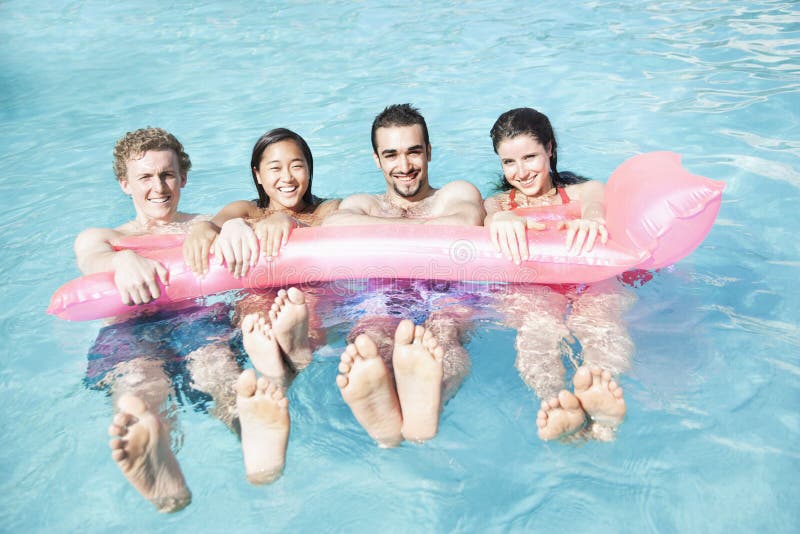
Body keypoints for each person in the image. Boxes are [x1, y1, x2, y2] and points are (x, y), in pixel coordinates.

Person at [75, 128, 293, 512]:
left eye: (167, 174)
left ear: (183, 178)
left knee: (216, 369)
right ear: (125, 183)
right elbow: (90, 259)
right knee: (138, 382)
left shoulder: (206, 225)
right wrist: (121, 260)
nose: (158, 187)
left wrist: (237, 226)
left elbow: (255, 227)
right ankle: (156, 457)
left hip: (197, 319)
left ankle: (253, 435)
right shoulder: (105, 237)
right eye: (145, 177)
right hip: (131, 327)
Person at [323, 103, 485, 447]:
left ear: (428, 152)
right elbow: (335, 225)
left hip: (445, 290)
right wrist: (416, 226)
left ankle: (428, 402)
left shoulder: (453, 193)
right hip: (383, 294)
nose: (404, 166)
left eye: (413, 152)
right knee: (372, 337)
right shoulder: (364, 201)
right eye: (391, 155)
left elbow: (465, 222)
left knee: (445, 334)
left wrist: (383, 230)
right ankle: (385, 408)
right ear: (377, 159)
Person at [484, 108, 635, 442]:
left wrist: (591, 220)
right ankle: (557, 405)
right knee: (536, 327)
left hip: (587, 278)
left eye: (530, 157)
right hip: (533, 283)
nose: (521, 172)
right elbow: (487, 220)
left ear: (549, 149)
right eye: (509, 162)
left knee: (600, 319)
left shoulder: (584, 192)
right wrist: (500, 221)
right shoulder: (498, 205)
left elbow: (598, 205)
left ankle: (602, 404)